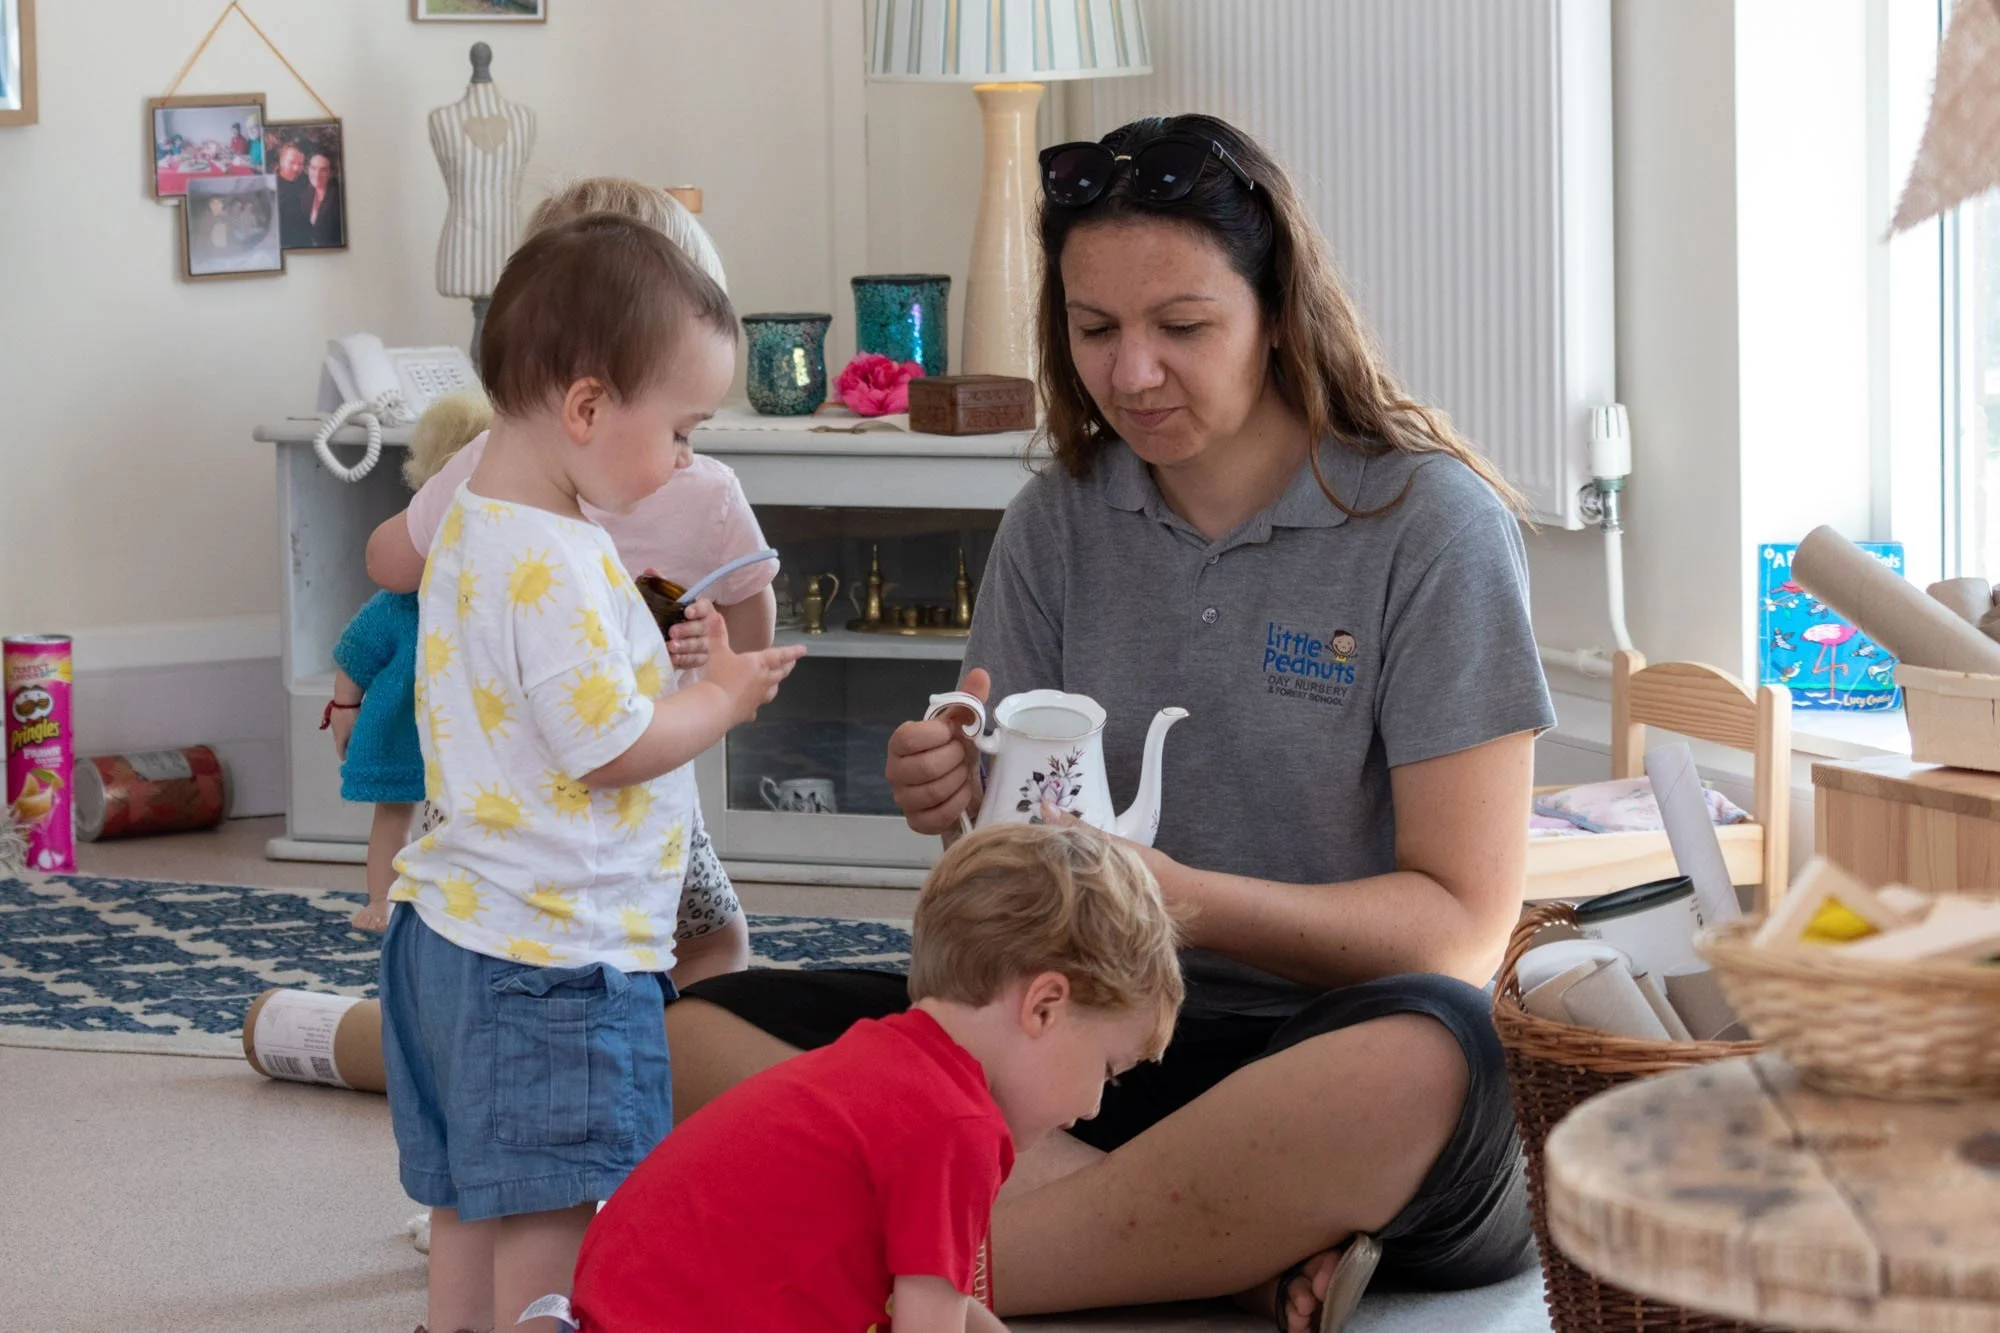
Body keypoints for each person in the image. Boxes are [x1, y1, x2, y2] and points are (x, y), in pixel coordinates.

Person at [666, 113, 1556, 1333]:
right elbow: (1006, 887)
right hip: (1074, 1044)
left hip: (1310, 1053)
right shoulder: (1057, 523)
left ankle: (936, 1266)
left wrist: (1176, 893)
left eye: (1180, 328)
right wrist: (954, 804)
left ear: (1278, 312)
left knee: (1448, 1051)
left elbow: (1458, 928)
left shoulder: (1429, 530)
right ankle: (1226, 1254)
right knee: (693, 1034)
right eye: (1094, 330)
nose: (1131, 373)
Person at [378, 213, 806, 1333]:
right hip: (553, 952)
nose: (687, 462)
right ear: (584, 407)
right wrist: (718, 700)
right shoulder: (560, 561)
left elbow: (535, 698)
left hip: (454, 932)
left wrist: (661, 657)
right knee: (556, 1224)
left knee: (476, 1196)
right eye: (681, 431)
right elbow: (608, 750)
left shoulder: (481, 522)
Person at [365, 176, 772, 979]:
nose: (682, 452)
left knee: (466, 926)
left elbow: (390, 563)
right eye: (682, 426)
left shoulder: (483, 468)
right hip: (630, 791)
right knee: (713, 944)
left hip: (481, 796)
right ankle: (685, 1051)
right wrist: (725, 681)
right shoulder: (703, 489)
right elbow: (749, 605)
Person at [564, 823, 1185, 1333]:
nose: (1095, 1106)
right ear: (1044, 1006)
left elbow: (945, 1300)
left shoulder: (882, 1064)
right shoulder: (959, 1127)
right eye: (1107, 1070)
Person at [324, 393, 492, 933]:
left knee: (468, 820)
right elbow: (356, 651)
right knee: (393, 819)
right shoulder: (402, 597)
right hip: (404, 726)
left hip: (468, 732)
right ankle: (382, 899)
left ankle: (457, 900)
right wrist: (343, 705)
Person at [303, 151, 344, 247]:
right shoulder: (305, 193)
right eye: (313, 168)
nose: (317, 174)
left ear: (330, 173)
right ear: (308, 169)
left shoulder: (338, 197)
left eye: (323, 170)